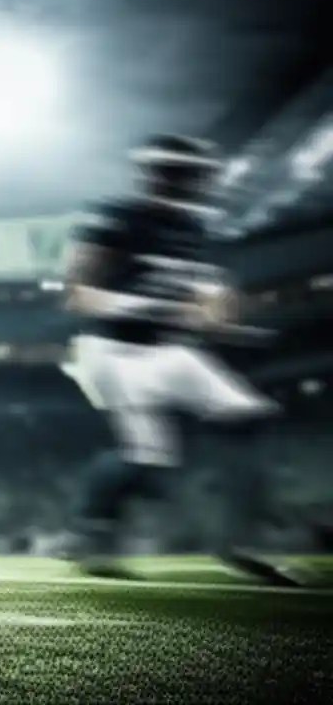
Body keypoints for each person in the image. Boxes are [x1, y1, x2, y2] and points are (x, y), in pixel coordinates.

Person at [60, 133, 299, 585]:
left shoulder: (194, 230)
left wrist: (220, 319)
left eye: (192, 176)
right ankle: (92, 526)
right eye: (178, 175)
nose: (186, 184)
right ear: (155, 175)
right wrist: (147, 307)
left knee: (248, 414)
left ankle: (242, 538)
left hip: (171, 349)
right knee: (148, 458)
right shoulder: (118, 219)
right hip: (116, 350)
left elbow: (210, 297)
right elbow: (79, 295)